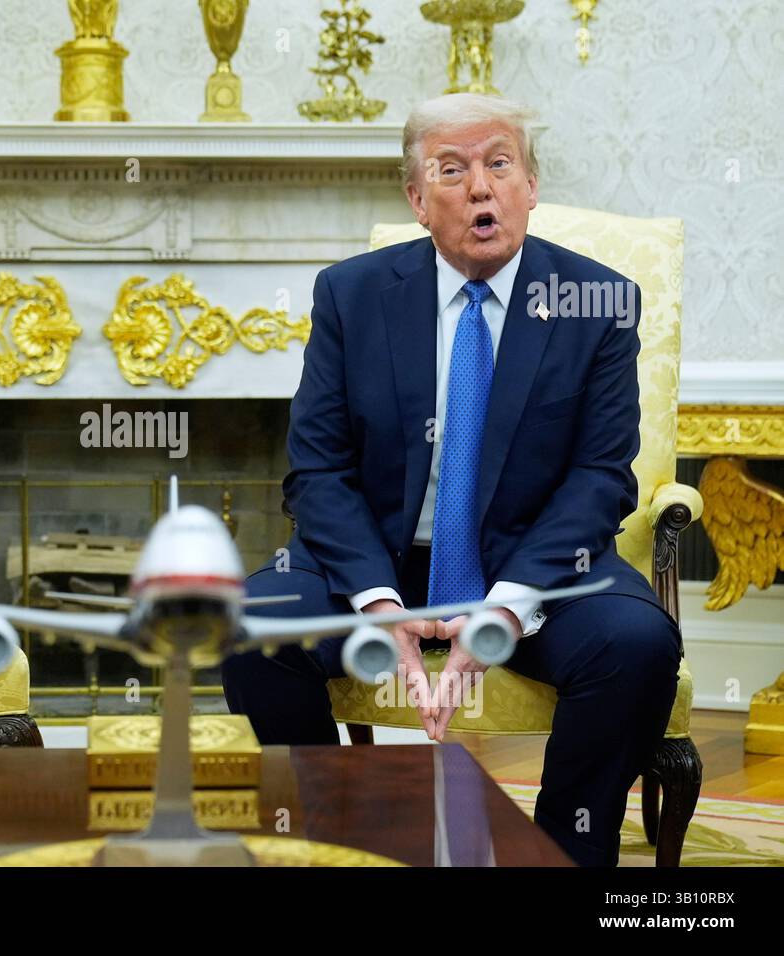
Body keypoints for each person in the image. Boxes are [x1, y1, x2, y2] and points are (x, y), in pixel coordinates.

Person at [222, 93, 680, 867]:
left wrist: (505, 605)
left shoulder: (598, 304)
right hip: (383, 558)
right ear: (415, 198)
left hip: (538, 564)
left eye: (500, 164)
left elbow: (600, 479)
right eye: (452, 169)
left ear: (530, 186)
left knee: (637, 644)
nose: (480, 187)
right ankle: (330, 839)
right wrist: (378, 599)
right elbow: (318, 471)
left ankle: (563, 847)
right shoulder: (351, 294)